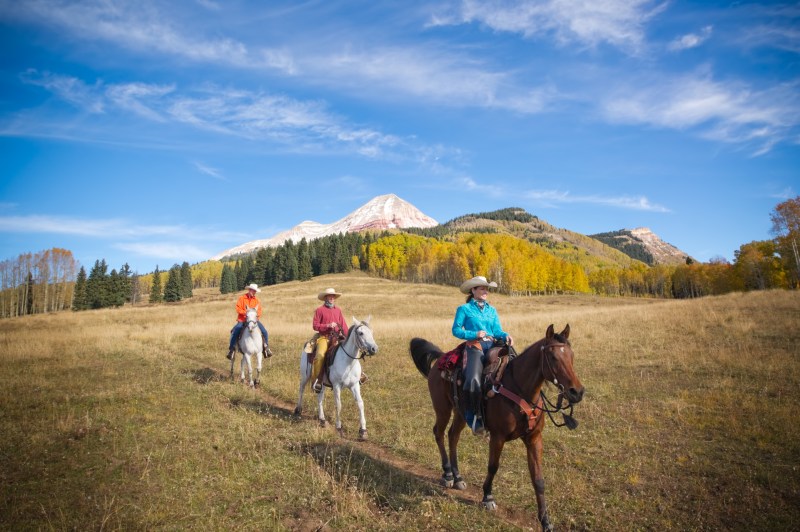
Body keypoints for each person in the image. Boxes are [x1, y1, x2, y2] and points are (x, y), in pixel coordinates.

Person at [452, 276, 513, 435]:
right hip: (475, 346)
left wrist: (506, 335)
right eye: (482, 288)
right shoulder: (464, 309)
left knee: (514, 365)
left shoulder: (492, 310)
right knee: (472, 378)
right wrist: (474, 333)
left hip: (493, 345)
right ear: (473, 290)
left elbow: (497, 330)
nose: (485, 291)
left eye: (486, 289)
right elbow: (456, 330)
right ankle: (471, 415)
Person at [311, 288, 349, 392]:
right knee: (319, 356)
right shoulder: (319, 310)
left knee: (349, 351)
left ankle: (357, 376)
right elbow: (315, 326)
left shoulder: (338, 310)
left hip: (337, 337)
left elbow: (344, 325)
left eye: (333, 296)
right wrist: (327, 325)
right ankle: (316, 380)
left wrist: (347, 336)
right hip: (324, 337)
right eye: (330, 296)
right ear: (325, 298)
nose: (332, 298)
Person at [227, 283, 269, 360]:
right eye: (253, 290)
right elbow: (238, 308)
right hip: (242, 320)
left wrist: (255, 317)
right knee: (236, 331)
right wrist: (246, 313)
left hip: (253, 321)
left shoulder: (256, 300)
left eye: (255, 291)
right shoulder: (242, 298)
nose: (254, 292)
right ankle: (231, 350)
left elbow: (259, 311)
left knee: (264, 331)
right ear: (249, 290)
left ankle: (266, 348)